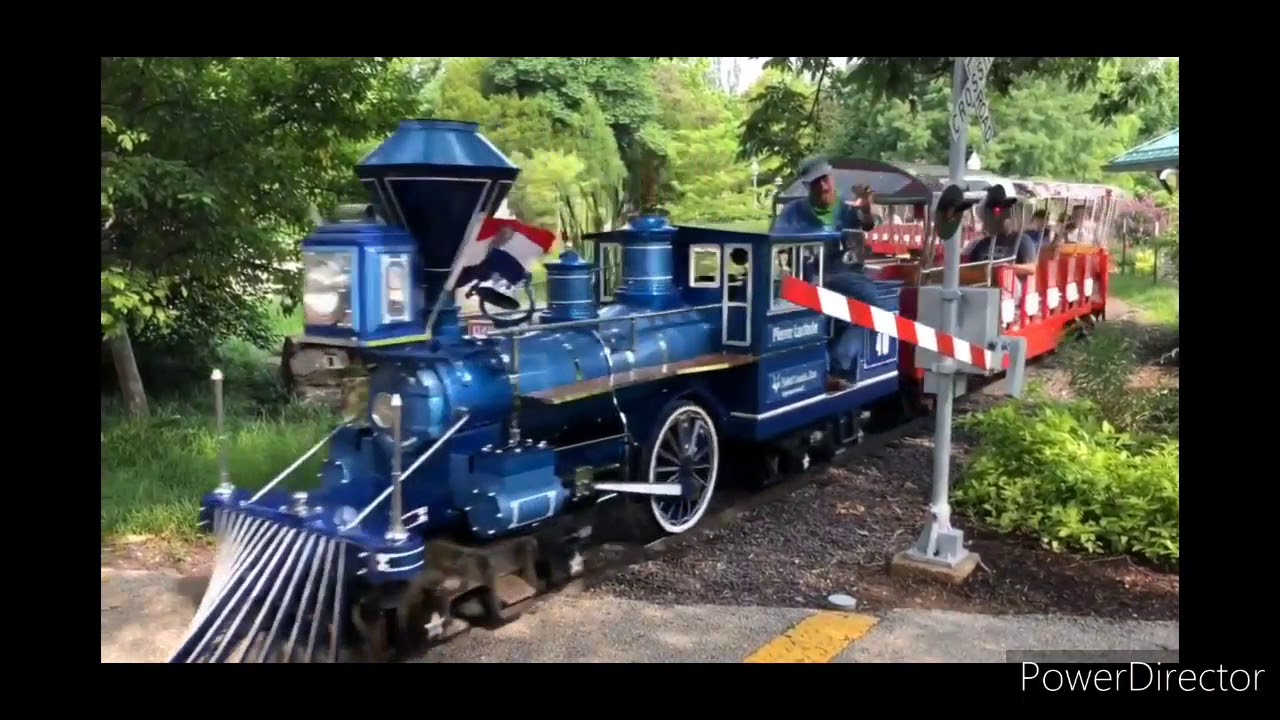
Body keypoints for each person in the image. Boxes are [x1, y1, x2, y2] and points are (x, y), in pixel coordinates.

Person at [772, 156, 885, 373]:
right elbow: (775, 241)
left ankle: (839, 360)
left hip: (841, 276)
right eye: (816, 182)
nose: (823, 186)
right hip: (806, 278)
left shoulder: (845, 210)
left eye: (826, 179)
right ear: (807, 185)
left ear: (832, 177)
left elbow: (870, 224)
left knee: (875, 307)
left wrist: (868, 206)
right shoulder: (793, 212)